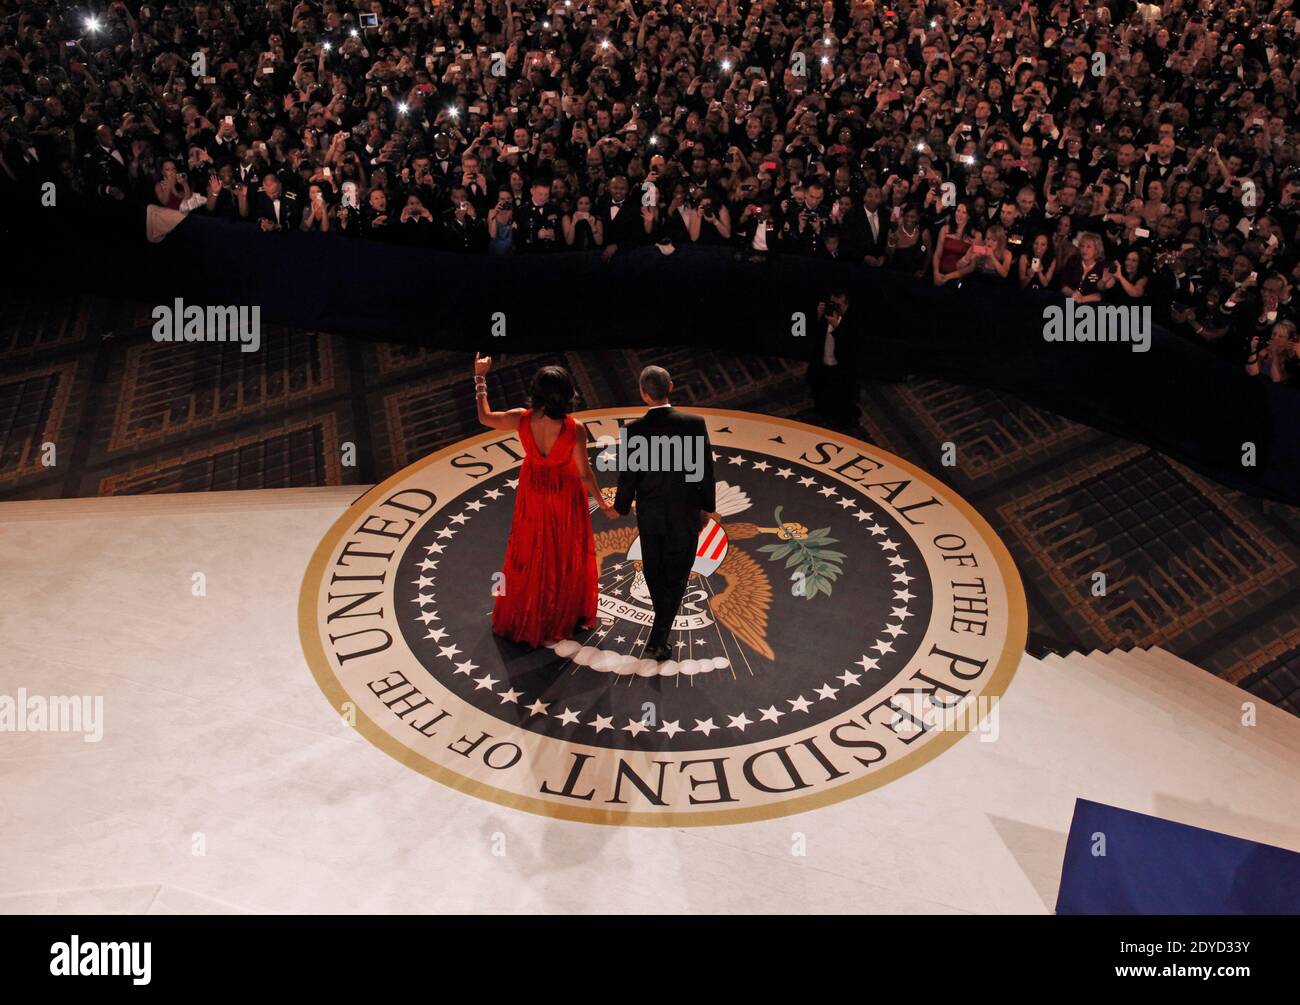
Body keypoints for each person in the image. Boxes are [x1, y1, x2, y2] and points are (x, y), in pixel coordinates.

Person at [474, 355, 614, 647]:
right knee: (564, 553)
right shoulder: (574, 428)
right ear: (567, 393)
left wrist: (480, 379)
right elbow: (586, 474)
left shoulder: (520, 419)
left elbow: (485, 417)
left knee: (531, 550)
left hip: (533, 490)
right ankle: (563, 613)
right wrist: (603, 504)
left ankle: (530, 612)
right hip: (564, 493)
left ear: (535, 391)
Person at [612, 366, 717, 663]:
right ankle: (658, 639)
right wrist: (706, 507)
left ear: (643, 394)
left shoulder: (633, 431)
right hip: (685, 514)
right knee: (677, 574)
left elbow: (628, 477)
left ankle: (658, 639)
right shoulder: (694, 423)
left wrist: (620, 507)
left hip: (651, 516)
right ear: (670, 386)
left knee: (655, 571)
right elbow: (705, 471)